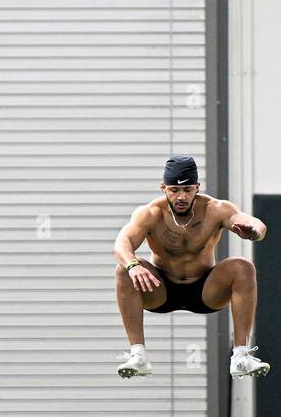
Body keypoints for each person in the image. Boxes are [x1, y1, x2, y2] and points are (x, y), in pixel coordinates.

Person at [113, 154, 270, 379]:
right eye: (174, 191)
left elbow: (256, 223)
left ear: (197, 187)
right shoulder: (150, 213)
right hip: (160, 288)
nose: (181, 197)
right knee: (123, 269)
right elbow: (121, 243)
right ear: (163, 188)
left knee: (243, 266)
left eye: (187, 190)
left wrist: (254, 232)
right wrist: (133, 266)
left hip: (205, 289)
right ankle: (138, 354)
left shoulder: (215, 209)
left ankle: (241, 355)